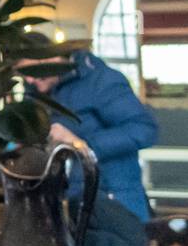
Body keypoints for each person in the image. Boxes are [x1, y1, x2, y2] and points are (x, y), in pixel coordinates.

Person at [22, 35, 159, 223]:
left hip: (114, 204)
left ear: (51, 59)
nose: (29, 79)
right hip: (68, 204)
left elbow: (144, 129)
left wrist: (80, 144)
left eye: (34, 71)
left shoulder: (100, 80)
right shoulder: (35, 91)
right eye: (23, 74)